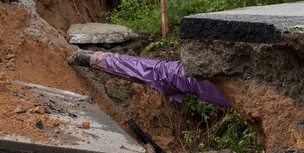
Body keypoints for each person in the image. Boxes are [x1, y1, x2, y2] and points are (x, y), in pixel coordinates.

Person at [69, 50, 230, 107]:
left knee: (161, 72)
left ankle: (98, 60)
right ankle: (98, 60)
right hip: (202, 80)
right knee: (162, 72)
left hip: (199, 80)